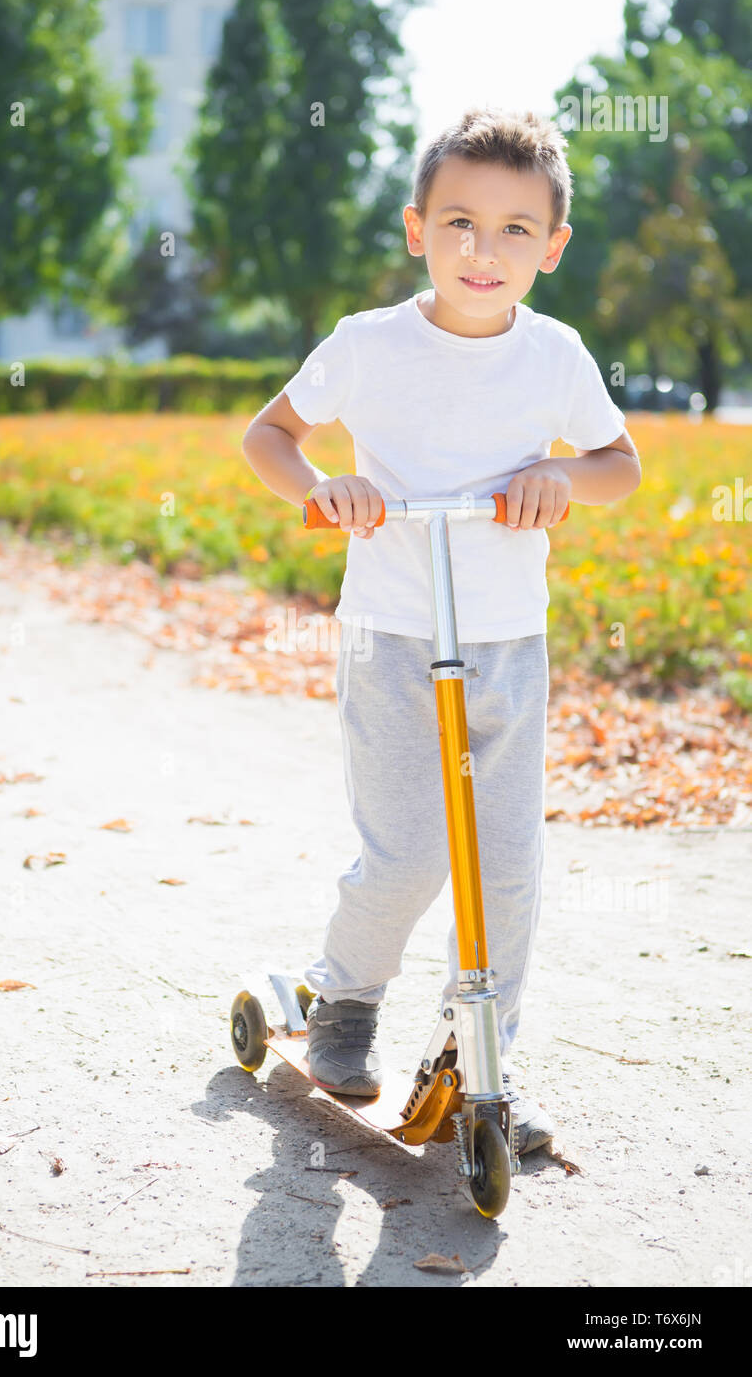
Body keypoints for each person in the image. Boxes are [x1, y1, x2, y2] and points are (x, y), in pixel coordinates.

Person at [241, 106, 641, 1153]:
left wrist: (561, 475)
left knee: (505, 864)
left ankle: (486, 1061)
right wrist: (324, 487)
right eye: (458, 220)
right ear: (417, 227)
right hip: (390, 632)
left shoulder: (554, 355)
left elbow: (619, 465)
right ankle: (345, 997)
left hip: (508, 637)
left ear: (550, 249)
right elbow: (268, 435)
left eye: (515, 228)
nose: (482, 247)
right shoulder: (370, 345)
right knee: (412, 848)